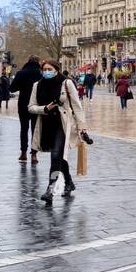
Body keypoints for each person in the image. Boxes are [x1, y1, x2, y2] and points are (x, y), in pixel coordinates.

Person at [29, 60, 91, 202]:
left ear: (56, 69)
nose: (46, 72)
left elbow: (77, 106)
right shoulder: (37, 85)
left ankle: (50, 190)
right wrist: (44, 109)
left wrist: (82, 127)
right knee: (59, 157)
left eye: (49, 69)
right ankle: (69, 182)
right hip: (46, 125)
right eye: (44, 69)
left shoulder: (66, 83)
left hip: (63, 124)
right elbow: (31, 107)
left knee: (56, 155)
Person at [11, 57, 43, 163]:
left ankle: (23, 152)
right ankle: (34, 154)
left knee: (24, 129)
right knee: (35, 130)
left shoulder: (21, 73)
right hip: (37, 104)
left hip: (23, 103)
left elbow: (12, 88)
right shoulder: (41, 73)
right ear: (38, 62)